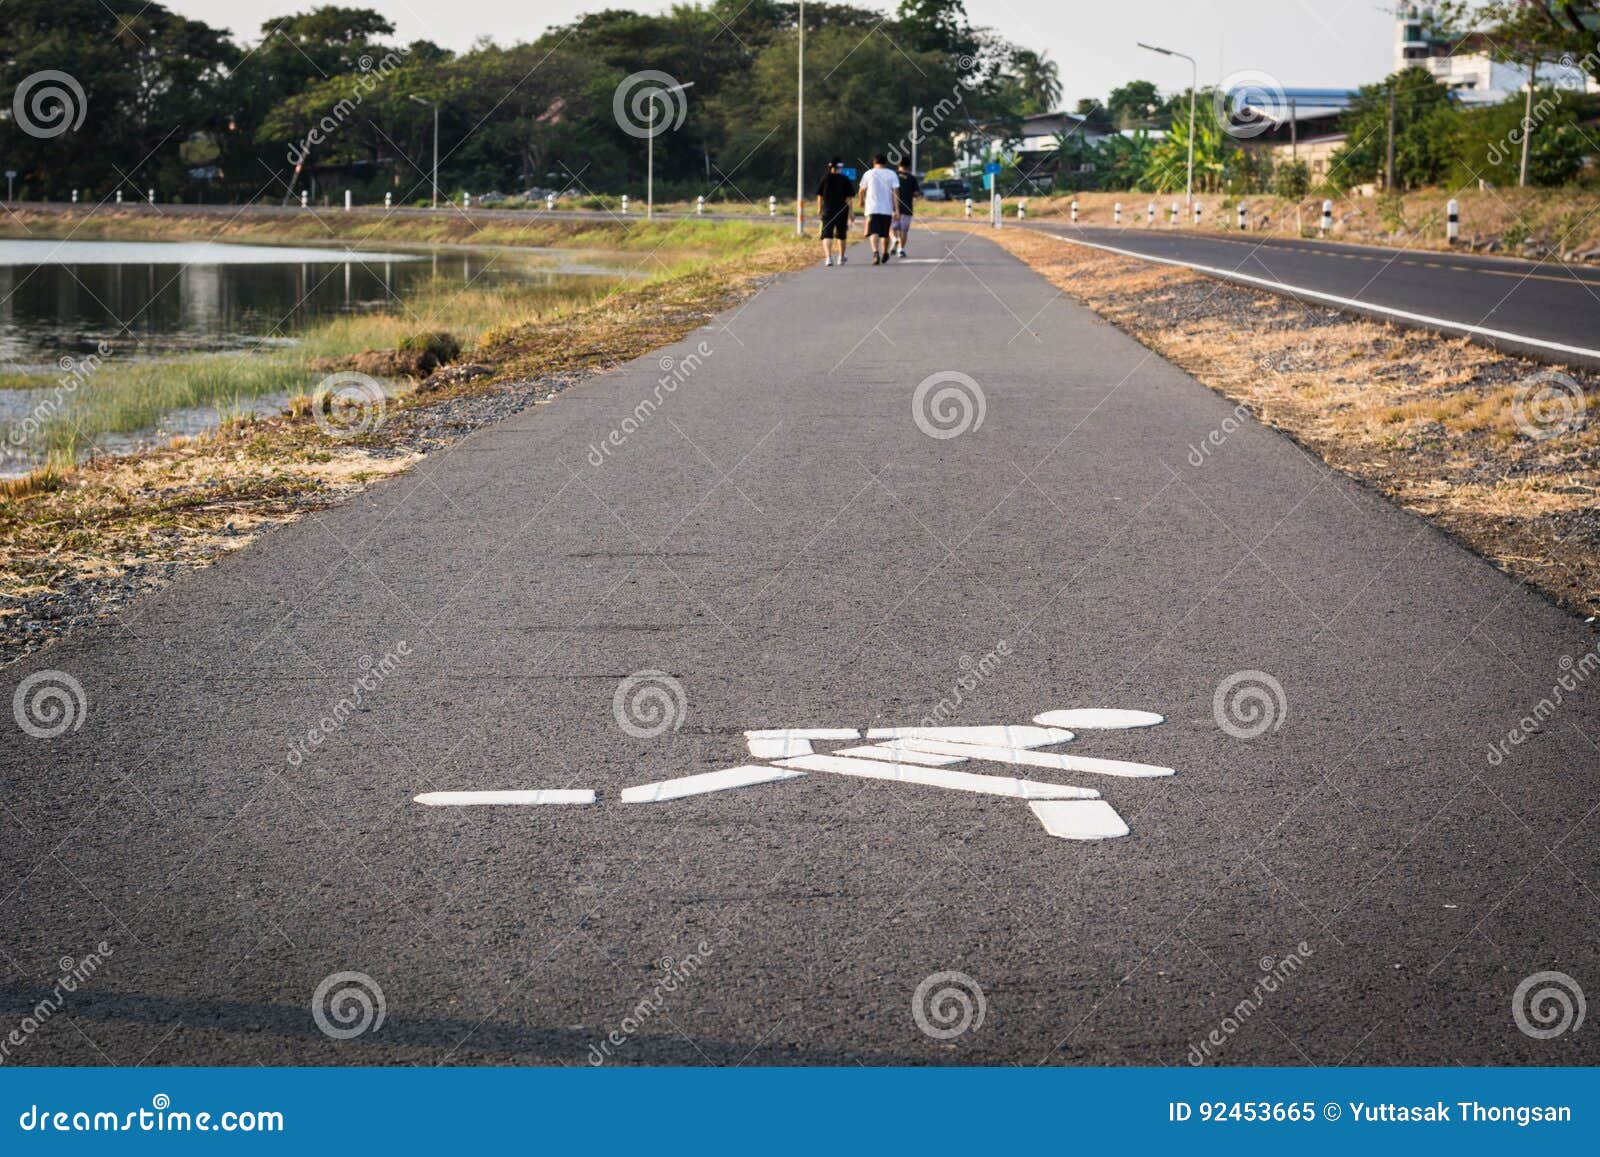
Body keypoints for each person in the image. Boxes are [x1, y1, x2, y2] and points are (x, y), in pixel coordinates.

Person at [856, 154, 899, 266]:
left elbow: (861, 190)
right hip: (886, 209)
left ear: (874, 162)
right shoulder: (891, 174)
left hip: (871, 208)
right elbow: (895, 193)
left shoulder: (868, 173)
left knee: (873, 232)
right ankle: (885, 252)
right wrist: (897, 209)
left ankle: (875, 252)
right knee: (885, 234)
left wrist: (861, 201)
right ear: (885, 163)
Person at [815, 158, 854, 267]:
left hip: (827, 211)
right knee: (841, 235)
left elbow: (819, 195)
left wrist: (819, 208)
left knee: (827, 235)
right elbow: (849, 198)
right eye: (840, 167)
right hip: (842, 211)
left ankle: (828, 258)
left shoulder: (825, 178)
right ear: (838, 167)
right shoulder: (845, 179)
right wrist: (851, 213)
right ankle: (841, 257)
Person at [891, 160, 919, 257]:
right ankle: (901, 249)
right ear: (909, 167)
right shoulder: (912, 178)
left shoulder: (893, 175)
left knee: (892, 227)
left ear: (899, 166)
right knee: (903, 230)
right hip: (907, 207)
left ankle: (894, 239)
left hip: (892, 206)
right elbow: (916, 193)